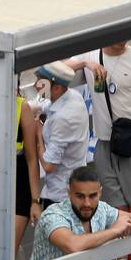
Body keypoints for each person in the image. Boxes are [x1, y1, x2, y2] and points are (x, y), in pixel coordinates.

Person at [66, 41, 131, 208]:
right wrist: (85, 64)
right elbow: (57, 68)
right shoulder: (90, 55)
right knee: (116, 208)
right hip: (104, 144)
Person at [33, 61, 91, 208]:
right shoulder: (72, 96)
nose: (35, 86)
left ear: (57, 88)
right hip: (71, 186)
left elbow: (48, 165)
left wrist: (38, 135)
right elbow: (44, 107)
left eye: (41, 83)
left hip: (60, 197)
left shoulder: (64, 118)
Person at [14, 93, 43, 255]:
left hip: (20, 186)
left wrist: (35, 201)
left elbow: (32, 159)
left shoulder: (22, 106)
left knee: (7, 256)